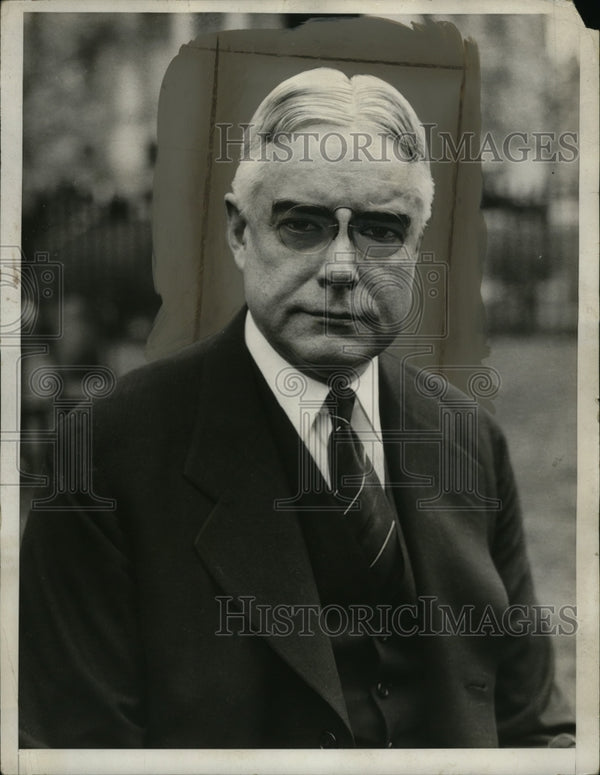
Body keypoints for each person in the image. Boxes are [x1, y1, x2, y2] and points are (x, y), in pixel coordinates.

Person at [19, 68, 575, 749]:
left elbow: (536, 729)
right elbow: (78, 752)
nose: (342, 266)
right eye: (303, 225)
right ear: (239, 232)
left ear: (417, 248)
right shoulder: (106, 454)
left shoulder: (469, 439)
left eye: (380, 229)